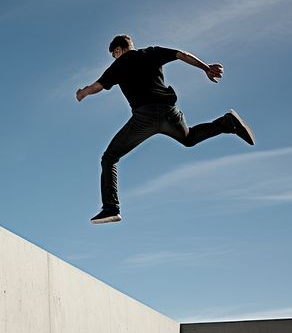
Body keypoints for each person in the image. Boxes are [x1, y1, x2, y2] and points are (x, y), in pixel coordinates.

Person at [76, 34, 255, 224]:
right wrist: (206, 68)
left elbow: (96, 87)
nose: (115, 58)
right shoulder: (152, 52)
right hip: (169, 112)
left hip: (144, 118)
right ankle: (228, 123)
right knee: (189, 138)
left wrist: (82, 93)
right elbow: (182, 55)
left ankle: (111, 208)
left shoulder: (118, 65)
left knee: (109, 158)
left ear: (118, 50)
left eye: (114, 54)